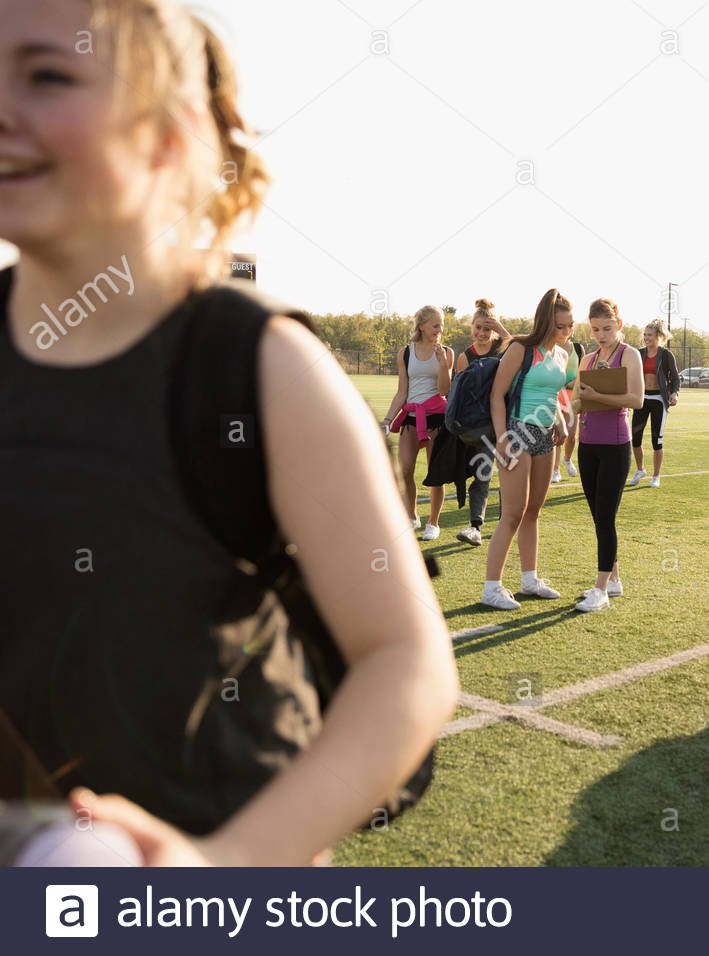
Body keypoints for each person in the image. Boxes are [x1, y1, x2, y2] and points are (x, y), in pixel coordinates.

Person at [0, 0, 458, 864]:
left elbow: (409, 660)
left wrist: (224, 869)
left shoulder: (258, 366)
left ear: (170, 136)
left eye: (47, 76)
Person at [480, 289, 578, 610]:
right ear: (546, 323)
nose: (567, 332)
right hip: (517, 432)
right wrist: (501, 438)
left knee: (533, 512)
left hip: (545, 436)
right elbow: (497, 395)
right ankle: (491, 587)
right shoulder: (521, 349)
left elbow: (555, 395)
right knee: (511, 514)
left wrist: (562, 425)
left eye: (570, 326)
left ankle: (529, 580)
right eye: (561, 326)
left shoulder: (562, 356)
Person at [573, 299, 645, 612]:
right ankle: (613, 579)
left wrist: (597, 396)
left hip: (615, 445)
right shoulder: (586, 359)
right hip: (586, 445)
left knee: (605, 516)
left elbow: (637, 399)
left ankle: (601, 589)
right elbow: (576, 400)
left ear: (619, 325)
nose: (601, 335)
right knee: (598, 516)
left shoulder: (629, 354)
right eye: (595, 329)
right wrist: (571, 408)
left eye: (607, 328)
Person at [382, 306, 453, 540]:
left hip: (436, 419)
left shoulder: (447, 352)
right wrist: (387, 420)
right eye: (435, 325)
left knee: (436, 473)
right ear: (421, 326)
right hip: (412, 419)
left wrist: (443, 364)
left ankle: (433, 523)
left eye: (441, 325)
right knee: (404, 469)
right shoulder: (405, 353)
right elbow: (402, 391)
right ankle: (412, 516)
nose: (439, 330)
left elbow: (445, 390)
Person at [452, 299, 511, 546]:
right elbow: (458, 394)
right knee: (483, 472)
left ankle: (506, 523)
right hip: (480, 426)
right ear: (472, 327)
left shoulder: (504, 348)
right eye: (478, 327)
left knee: (509, 471)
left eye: (487, 328)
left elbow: (521, 349)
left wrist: (502, 330)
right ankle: (475, 526)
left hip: (507, 420)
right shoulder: (465, 357)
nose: (482, 333)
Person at [630, 319, 680, 488]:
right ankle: (640, 469)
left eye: (650, 335)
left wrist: (675, 393)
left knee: (656, 440)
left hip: (659, 399)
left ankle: (656, 476)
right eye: (644, 335)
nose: (646, 338)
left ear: (659, 336)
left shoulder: (666, 355)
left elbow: (675, 377)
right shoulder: (639, 353)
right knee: (635, 439)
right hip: (641, 399)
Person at [552, 317, 585, 483]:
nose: (565, 331)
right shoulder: (551, 348)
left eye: (569, 327)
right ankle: (556, 470)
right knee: (558, 433)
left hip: (573, 397)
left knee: (571, 435)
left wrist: (575, 381)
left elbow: (584, 371)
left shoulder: (578, 348)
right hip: (556, 396)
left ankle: (567, 458)